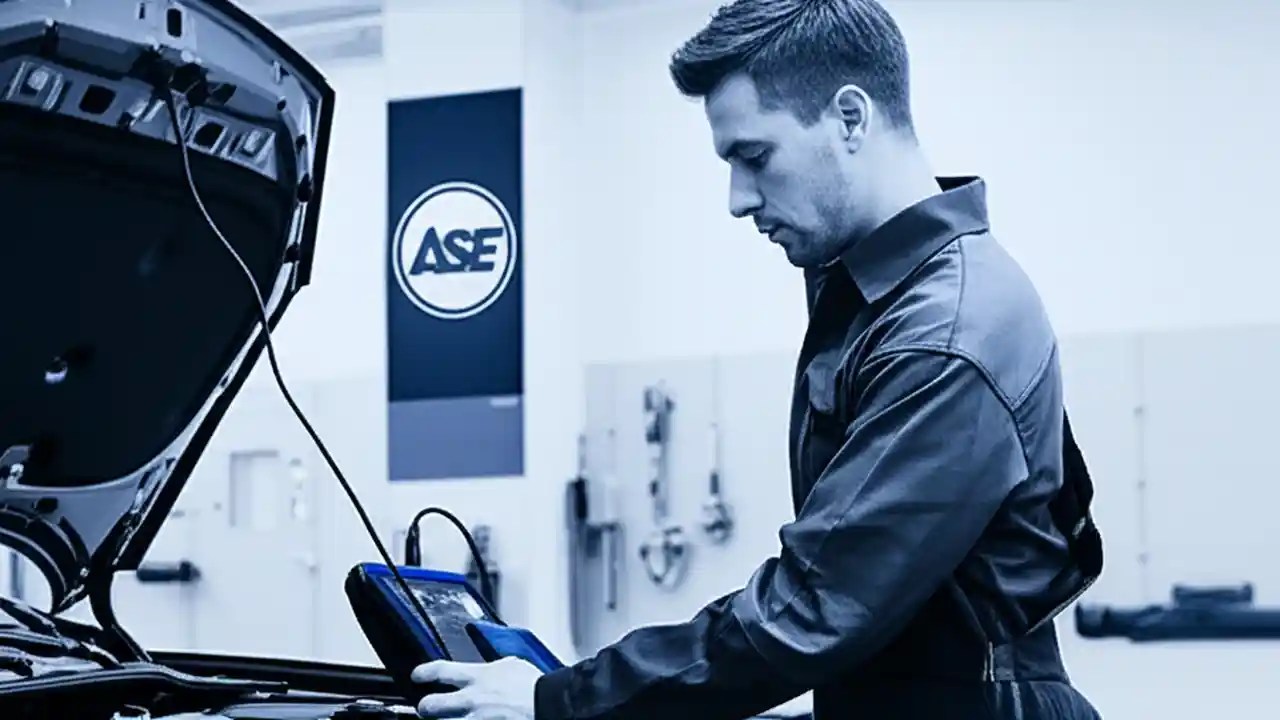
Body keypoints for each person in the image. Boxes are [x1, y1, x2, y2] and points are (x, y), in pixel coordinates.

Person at [411, 1, 1104, 718]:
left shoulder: (944, 329)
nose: (738, 200)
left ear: (850, 118)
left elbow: (813, 606)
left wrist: (559, 702)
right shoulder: (889, 298)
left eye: (755, 157)